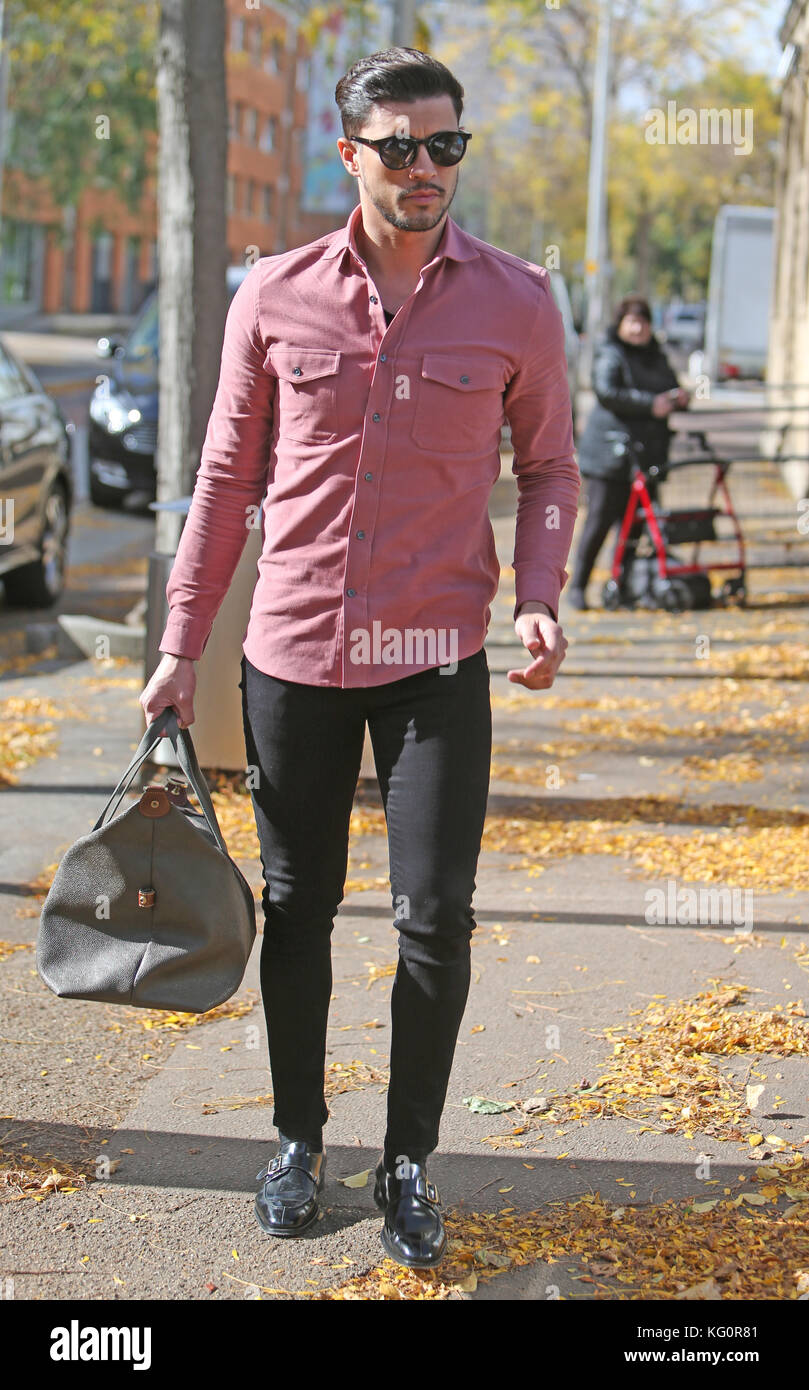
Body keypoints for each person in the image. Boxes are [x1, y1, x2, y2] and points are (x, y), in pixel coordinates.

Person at [138, 46, 580, 1270]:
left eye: (446, 144)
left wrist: (538, 594)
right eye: (401, 145)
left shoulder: (515, 302)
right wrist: (180, 644)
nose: (427, 166)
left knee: (434, 918)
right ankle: (295, 1140)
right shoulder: (272, 296)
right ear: (350, 155)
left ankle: (410, 1160)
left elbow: (549, 469)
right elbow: (226, 482)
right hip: (291, 655)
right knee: (298, 909)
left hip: (438, 663)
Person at [568, 294, 690, 609]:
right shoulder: (611, 353)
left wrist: (678, 398)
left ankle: (620, 587)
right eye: (632, 322)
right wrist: (651, 405)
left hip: (646, 456)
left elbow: (670, 384)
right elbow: (607, 392)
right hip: (610, 454)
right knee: (598, 523)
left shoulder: (656, 356)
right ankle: (577, 587)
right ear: (621, 325)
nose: (638, 329)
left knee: (633, 528)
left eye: (643, 323)